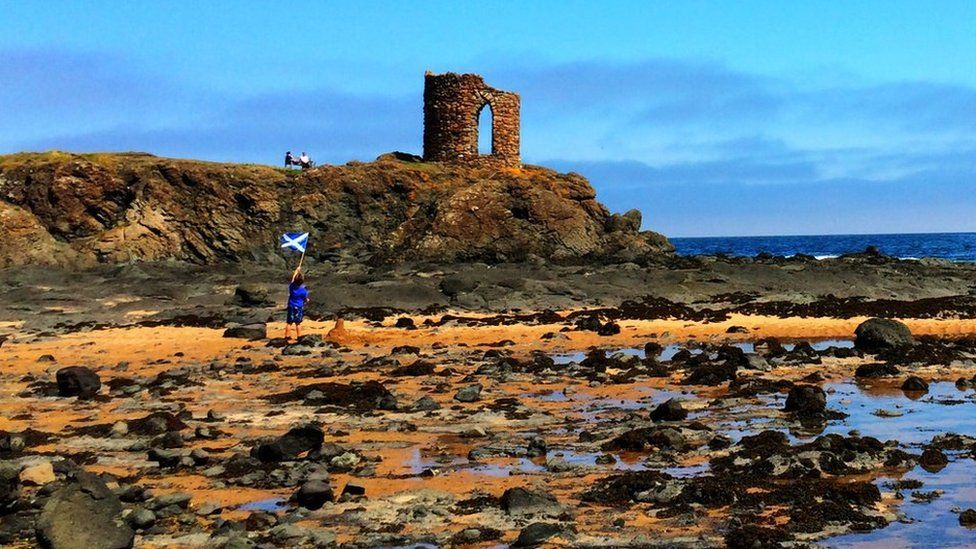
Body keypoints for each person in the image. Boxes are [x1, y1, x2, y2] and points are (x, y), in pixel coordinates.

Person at [284, 268, 309, 341]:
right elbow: (305, 299)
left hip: (291, 306)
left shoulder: (292, 287)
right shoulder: (304, 291)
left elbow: (293, 279)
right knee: (298, 323)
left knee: (289, 323)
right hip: (298, 307)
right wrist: (307, 300)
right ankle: (299, 336)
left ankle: (287, 336)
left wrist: (296, 271)